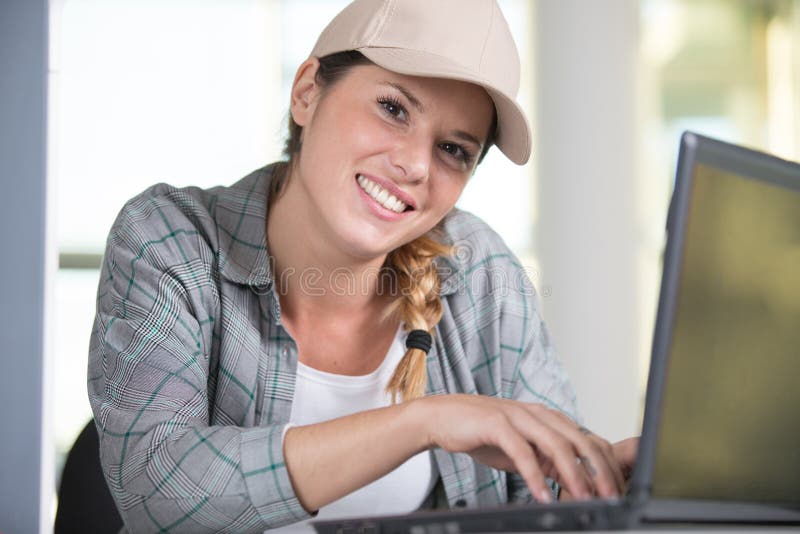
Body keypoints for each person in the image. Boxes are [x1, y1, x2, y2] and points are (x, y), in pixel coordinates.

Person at [87, 0, 638, 532]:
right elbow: (155, 490)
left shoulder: (478, 270)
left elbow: (546, 492)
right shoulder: (170, 240)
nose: (416, 164)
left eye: (453, 150)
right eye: (394, 109)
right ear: (307, 94)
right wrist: (425, 422)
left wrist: (606, 481)